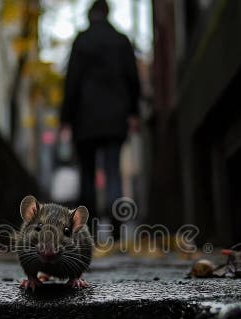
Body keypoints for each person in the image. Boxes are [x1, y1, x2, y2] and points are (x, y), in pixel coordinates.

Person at [60, 0, 141, 229]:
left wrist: (65, 118)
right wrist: (133, 112)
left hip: (84, 119)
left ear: (89, 15)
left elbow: (72, 82)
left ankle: (90, 227)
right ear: (108, 13)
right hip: (115, 117)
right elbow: (132, 79)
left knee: (87, 173)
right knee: (113, 169)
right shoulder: (121, 41)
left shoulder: (82, 41)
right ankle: (116, 218)